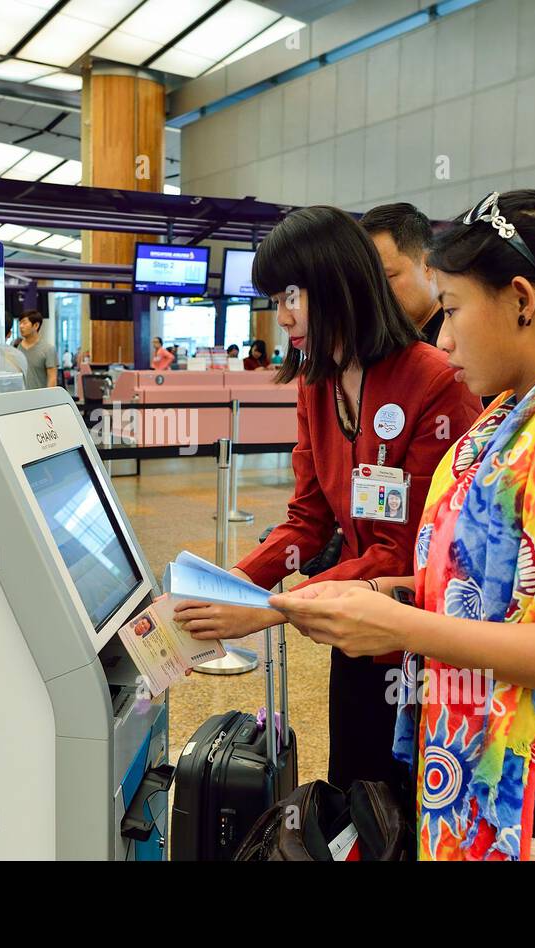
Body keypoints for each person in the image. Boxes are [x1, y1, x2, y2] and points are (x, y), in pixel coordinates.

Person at [269, 190, 535, 862]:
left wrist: (404, 627)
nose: (443, 337)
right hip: (469, 792)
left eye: (454, 309)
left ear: (522, 299)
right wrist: (387, 593)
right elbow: (481, 586)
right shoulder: (504, 425)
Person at [174, 205, 481, 790]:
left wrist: (270, 610)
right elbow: (307, 521)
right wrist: (228, 586)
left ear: (340, 284)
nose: (282, 314)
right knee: (354, 797)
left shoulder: (435, 382)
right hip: (351, 633)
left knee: (409, 809)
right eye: (275, 298)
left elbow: (407, 551)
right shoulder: (317, 385)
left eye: (294, 294)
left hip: (421, 643)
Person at [361, 202, 444, 344]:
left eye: (387, 278)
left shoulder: (455, 343)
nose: (375, 293)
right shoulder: (385, 347)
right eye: (367, 283)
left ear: (429, 264)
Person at [12, 310, 56, 389]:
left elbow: (52, 378)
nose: (21, 326)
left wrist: (49, 398)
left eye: (24, 323)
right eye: (20, 323)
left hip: (40, 398)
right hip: (19, 397)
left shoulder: (48, 349)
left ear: (36, 325)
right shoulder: (15, 347)